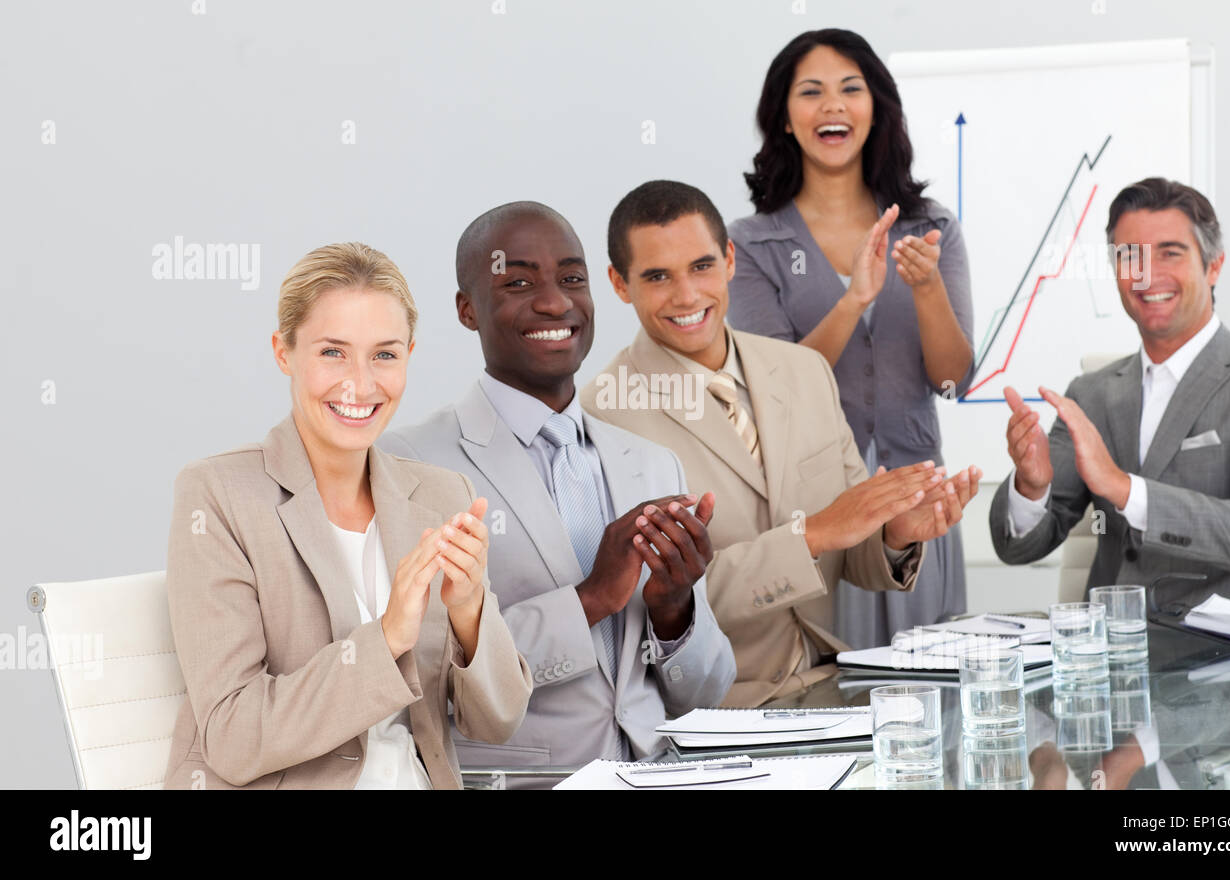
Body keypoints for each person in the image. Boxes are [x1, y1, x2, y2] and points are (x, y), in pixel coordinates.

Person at [581, 180, 980, 708]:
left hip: (833, 690)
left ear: (728, 259)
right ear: (619, 283)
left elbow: (850, 547)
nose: (687, 296)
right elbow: (651, 602)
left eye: (701, 266)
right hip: (715, 711)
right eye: (658, 276)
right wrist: (809, 534)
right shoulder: (603, 413)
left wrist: (895, 535)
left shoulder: (804, 370)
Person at [379, 202, 735, 773]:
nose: (555, 301)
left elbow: (707, 692)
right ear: (467, 310)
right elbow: (427, 679)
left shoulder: (652, 464)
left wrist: (674, 612)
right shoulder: (411, 463)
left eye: (572, 278)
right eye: (518, 282)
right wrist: (591, 598)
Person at [164, 242, 532, 790]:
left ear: (409, 354)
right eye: (333, 352)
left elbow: (496, 722)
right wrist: (385, 640)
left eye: (384, 355)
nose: (360, 384)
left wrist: (470, 614)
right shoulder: (219, 494)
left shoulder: (440, 495)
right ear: (283, 352)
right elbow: (233, 738)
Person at [727, 28, 975, 648]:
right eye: (810, 92)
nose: (832, 105)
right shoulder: (751, 243)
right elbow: (774, 388)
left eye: (849, 90)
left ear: (875, 109)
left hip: (917, 497)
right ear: (784, 118)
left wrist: (925, 289)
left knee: (934, 711)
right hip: (816, 514)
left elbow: (953, 380)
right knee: (832, 698)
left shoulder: (933, 226)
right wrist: (855, 298)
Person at [990, 178, 1230, 609]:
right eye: (1129, 256)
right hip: (1103, 662)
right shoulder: (1090, 393)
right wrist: (1030, 486)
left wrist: (1123, 489)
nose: (1147, 275)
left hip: (1220, 664)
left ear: (1213, 266)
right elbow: (1018, 548)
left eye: (1170, 253)